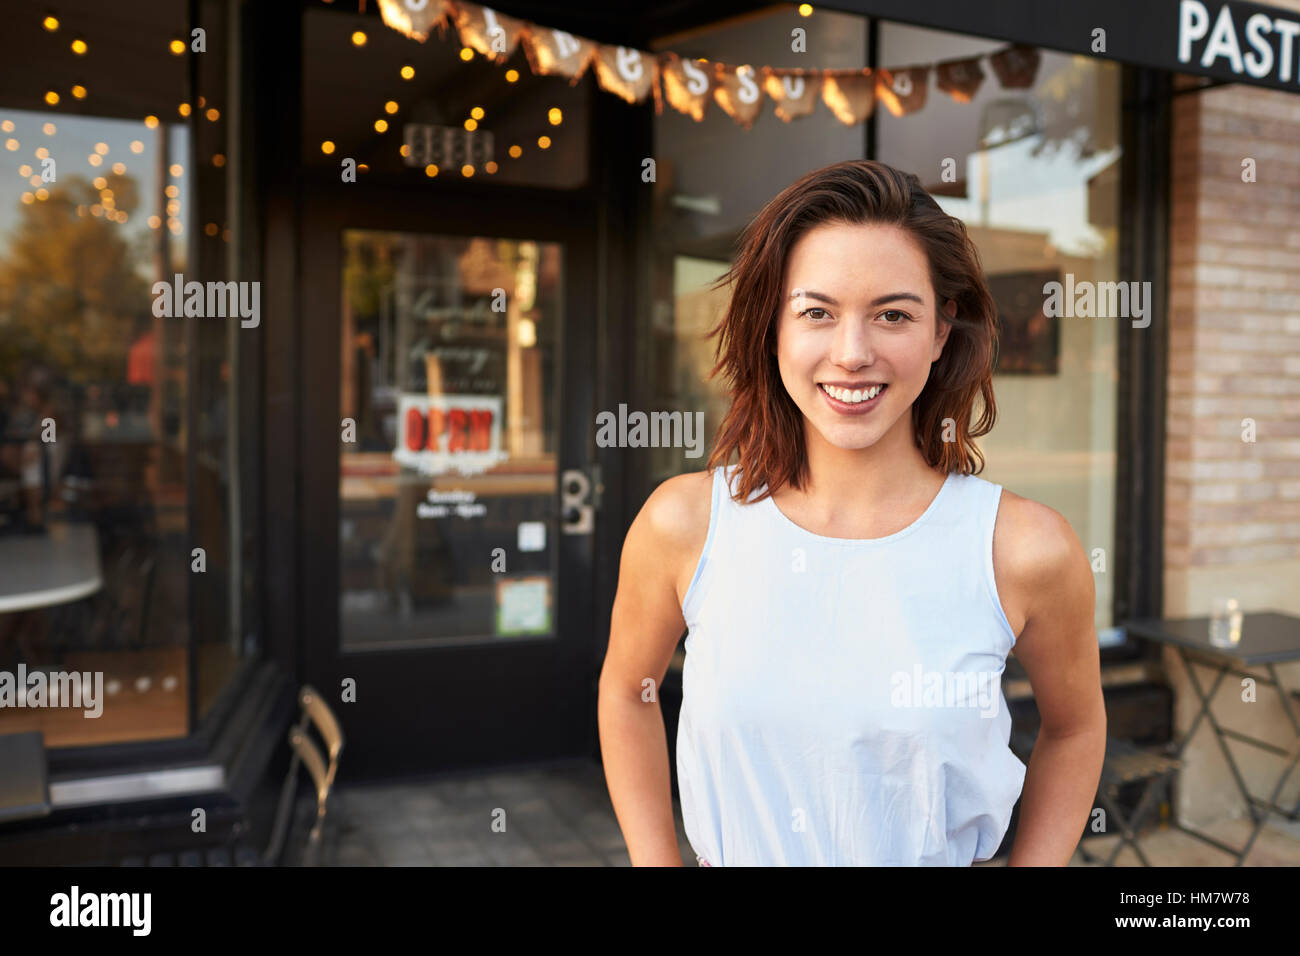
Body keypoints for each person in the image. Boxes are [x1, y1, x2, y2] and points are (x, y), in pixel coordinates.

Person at [598, 159, 1105, 866]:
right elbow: (628, 690)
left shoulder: (1022, 548)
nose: (852, 353)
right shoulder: (685, 524)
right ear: (773, 328)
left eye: (893, 314)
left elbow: (1076, 729)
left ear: (940, 333)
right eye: (817, 312)